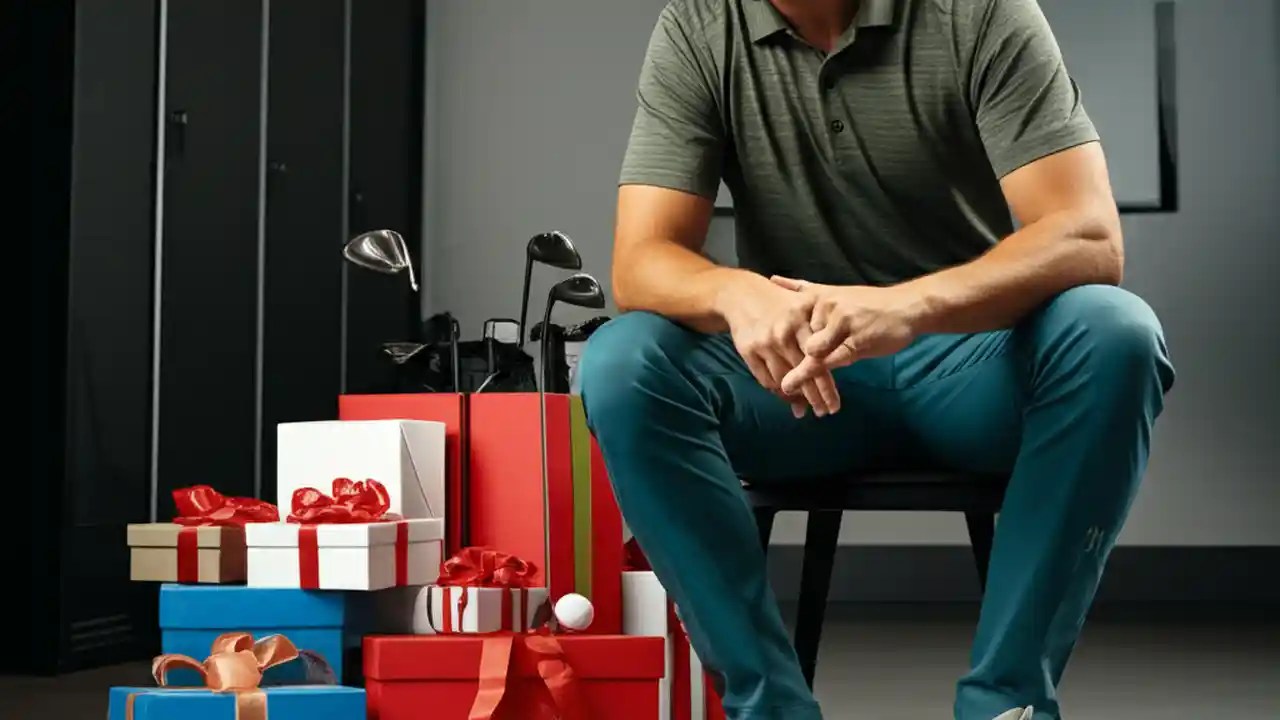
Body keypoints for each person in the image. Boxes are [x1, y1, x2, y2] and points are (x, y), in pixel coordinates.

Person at [579, 0, 1176, 718]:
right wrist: (737, 295)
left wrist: (906, 307)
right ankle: (768, 707)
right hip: (797, 385)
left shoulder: (982, 11)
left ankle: (1006, 703)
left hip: (972, 371)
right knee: (621, 362)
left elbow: (1088, 237)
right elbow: (641, 260)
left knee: (1117, 331)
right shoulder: (701, 23)